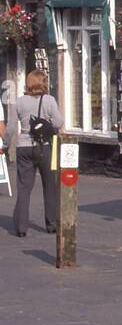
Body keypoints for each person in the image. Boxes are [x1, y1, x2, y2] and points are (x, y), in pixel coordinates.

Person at [10, 70, 62, 238]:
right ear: (44, 82)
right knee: (49, 185)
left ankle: (21, 227)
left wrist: (4, 144)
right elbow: (59, 122)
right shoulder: (49, 100)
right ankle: (51, 224)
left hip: (24, 147)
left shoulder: (18, 102)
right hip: (44, 146)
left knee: (24, 187)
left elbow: (11, 127)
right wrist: (47, 126)